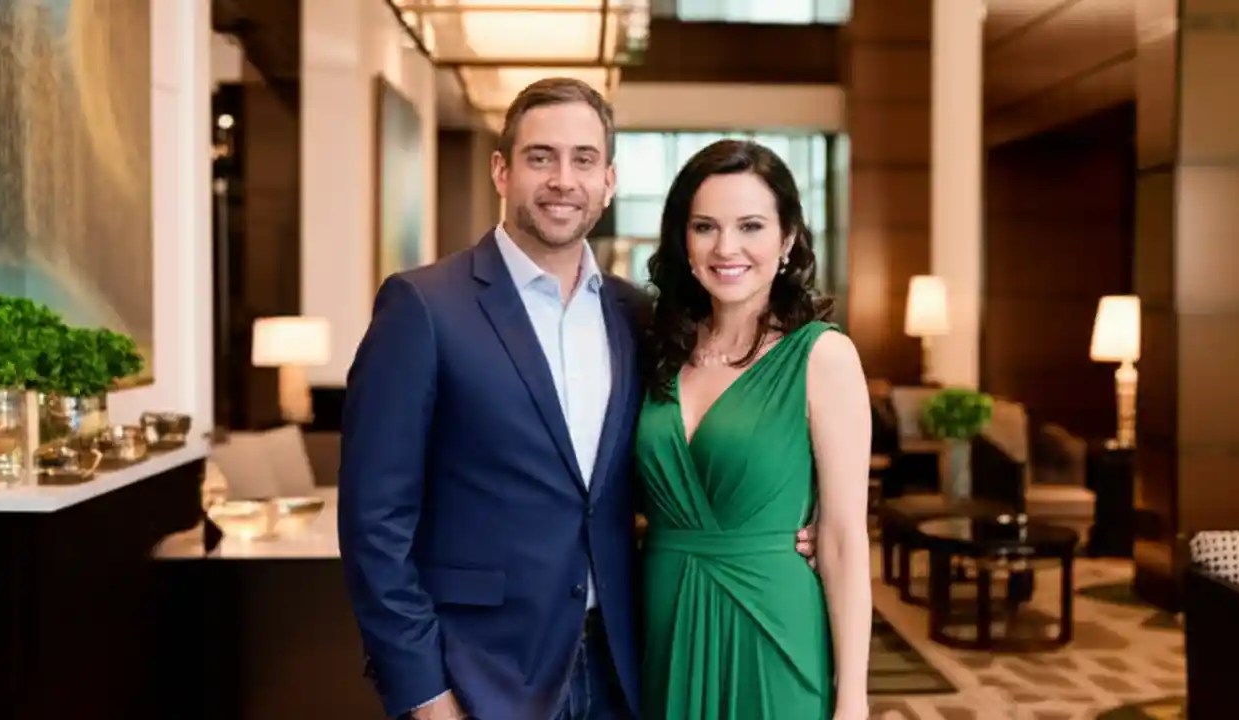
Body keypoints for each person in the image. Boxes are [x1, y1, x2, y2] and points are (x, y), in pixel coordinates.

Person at [337, 79, 816, 720]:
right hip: (481, 669)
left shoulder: (637, 316)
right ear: (501, 170)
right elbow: (373, 522)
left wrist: (781, 526)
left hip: (624, 661)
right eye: (542, 157)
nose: (564, 179)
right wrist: (423, 691)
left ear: (609, 181)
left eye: (584, 159)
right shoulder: (423, 307)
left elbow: (669, 458)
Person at [636, 140, 873, 720]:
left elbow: (843, 537)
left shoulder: (823, 357)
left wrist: (853, 698)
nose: (727, 247)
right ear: (683, 240)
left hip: (773, 623)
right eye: (705, 227)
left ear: (787, 239)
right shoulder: (657, 349)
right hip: (663, 618)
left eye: (750, 225)